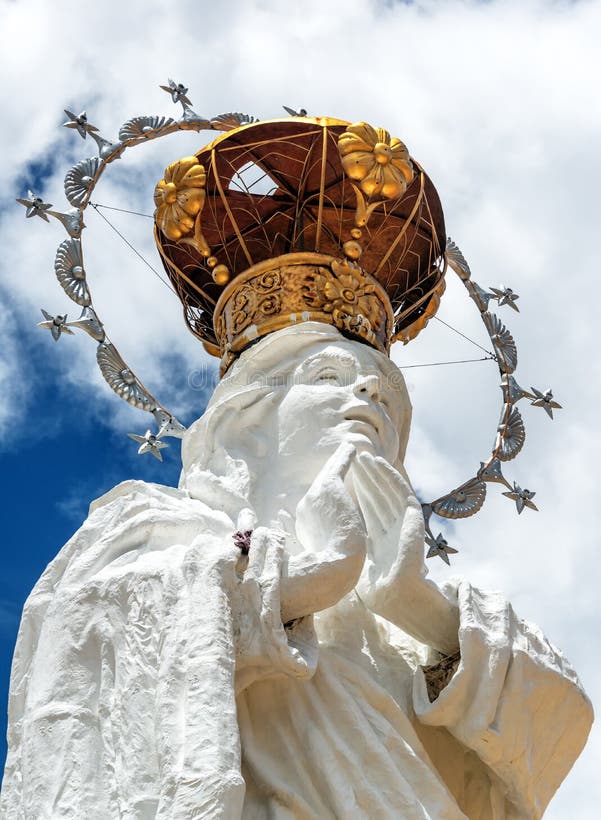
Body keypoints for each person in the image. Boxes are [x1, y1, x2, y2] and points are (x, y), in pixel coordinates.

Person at [1, 322, 592, 819]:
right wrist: (316, 578)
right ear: (250, 424)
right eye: (328, 377)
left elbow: (557, 726)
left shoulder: (434, 627)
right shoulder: (157, 531)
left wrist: (414, 603)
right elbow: (91, 656)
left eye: (388, 399)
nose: (370, 391)